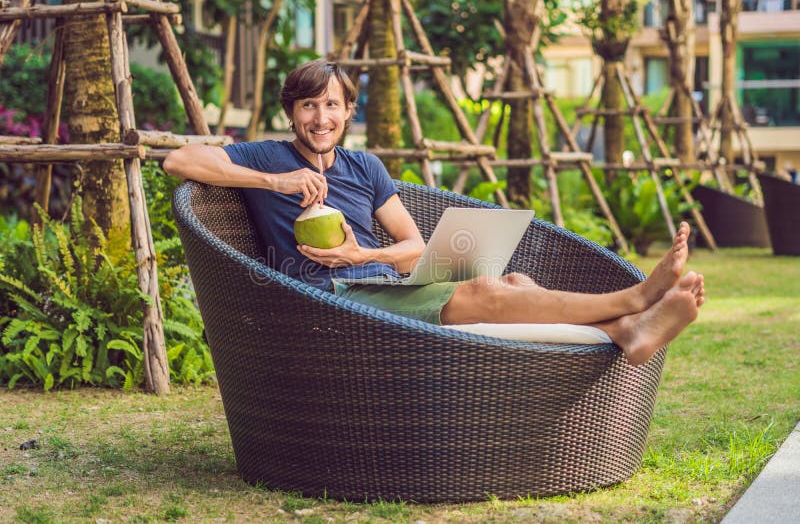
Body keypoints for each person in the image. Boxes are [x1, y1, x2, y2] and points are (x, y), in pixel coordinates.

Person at [164, 60, 705, 366]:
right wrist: (274, 181)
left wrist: (363, 253)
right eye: (308, 105)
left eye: (331, 105)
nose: (320, 117)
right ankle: (632, 302)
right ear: (291, 112)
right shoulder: (267, 156)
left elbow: (413, 247)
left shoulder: (365, 167)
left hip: (379, 282)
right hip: (330, 300)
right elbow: (179, 160)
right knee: (488, 292)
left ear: (348, 112)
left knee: (513, 281)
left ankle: (625, 332)